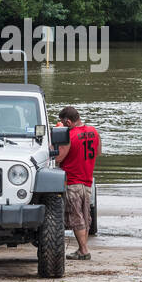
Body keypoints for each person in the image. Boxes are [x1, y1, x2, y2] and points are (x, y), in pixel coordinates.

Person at [55, 105, 100, 261]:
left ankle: (83, 250)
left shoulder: (69, 135)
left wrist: (58, 136)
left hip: (73, 181)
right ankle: (82, 248)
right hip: (87, 180)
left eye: (62, 122)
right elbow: (98, 151)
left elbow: (59, 158)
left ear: (67, 122)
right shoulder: (94, 132)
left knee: (76, 217)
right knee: (85, 215)